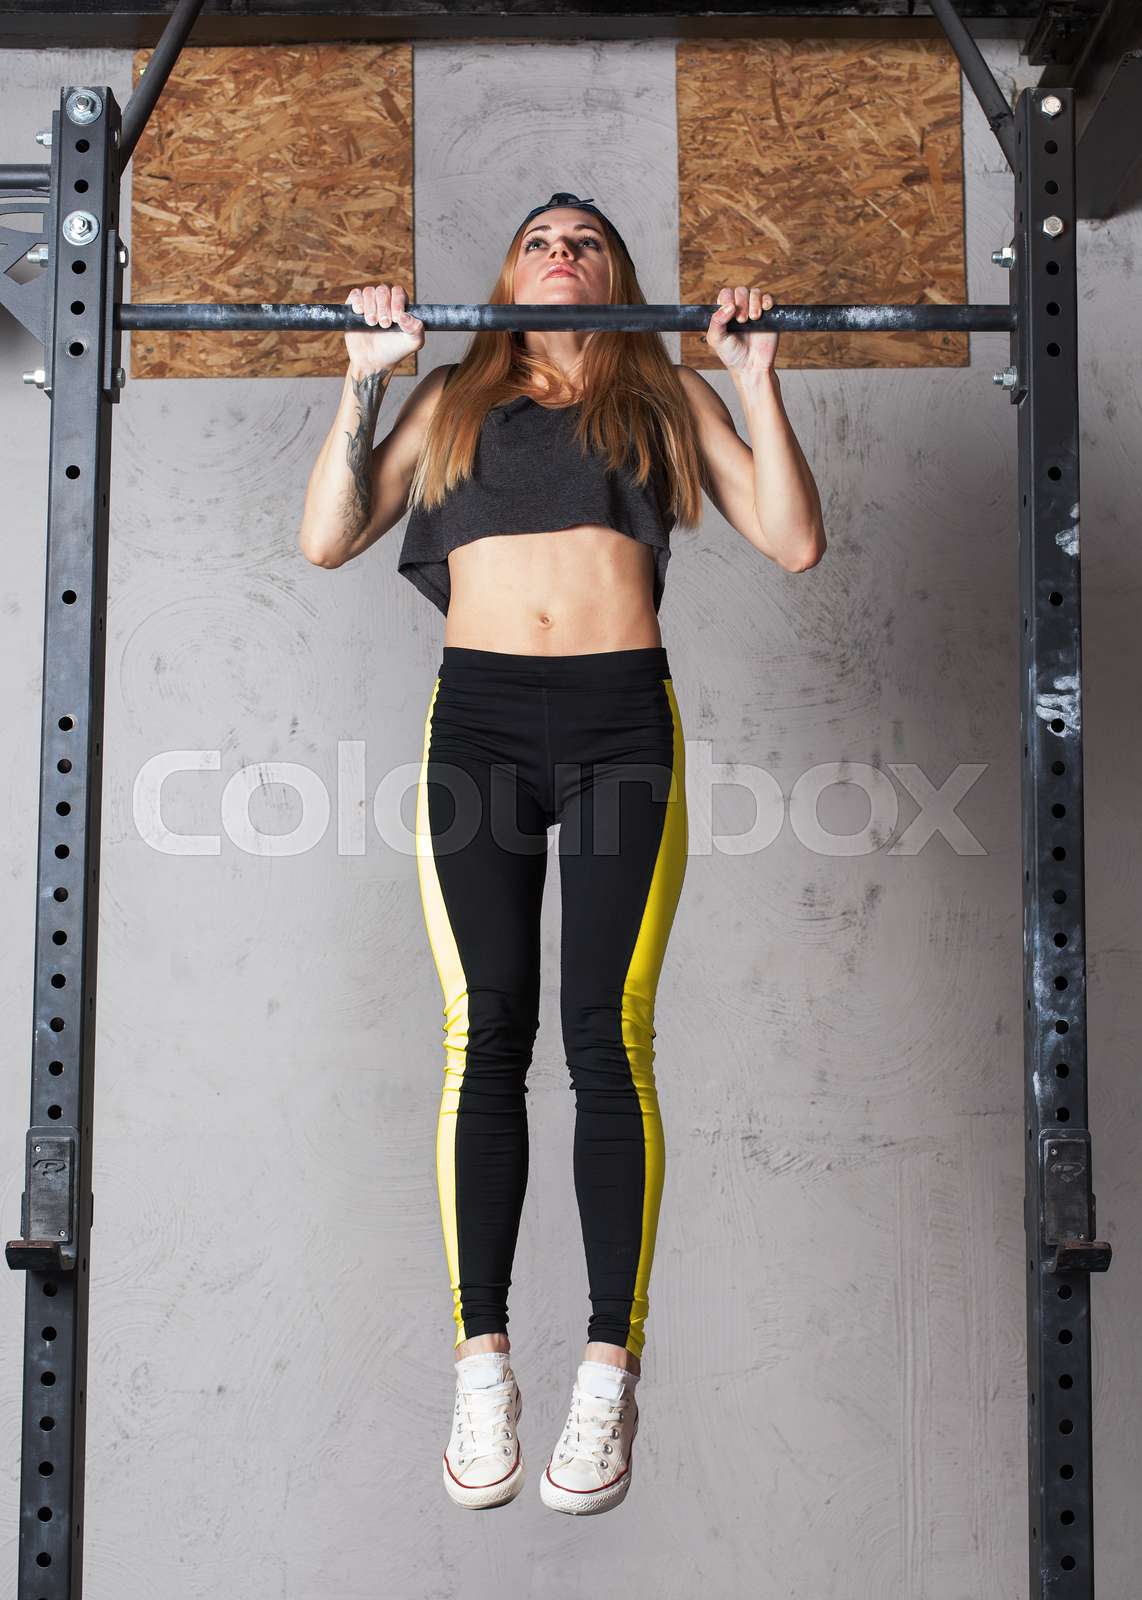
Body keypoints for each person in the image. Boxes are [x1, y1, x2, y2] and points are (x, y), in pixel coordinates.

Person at [298, 191, 826, 1515]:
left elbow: (793, 541)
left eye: (585, 241)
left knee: (608, 1033)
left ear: (616, 275)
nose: (561, 253)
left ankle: (606, 1370)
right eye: (539, 239)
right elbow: (325, 538)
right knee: (484, 1032)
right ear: (507, 275)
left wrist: (754, 379)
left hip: (616, 724)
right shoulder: (453, 401)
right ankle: (480, 1363)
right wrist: (364, 381)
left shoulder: (661, 398)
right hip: (477, 722)